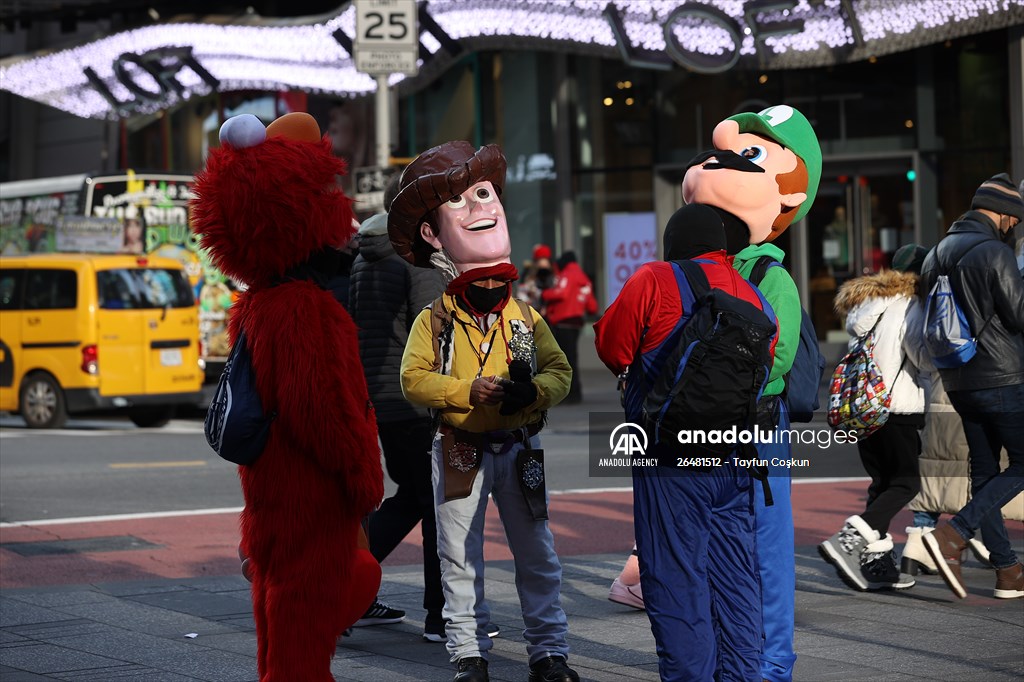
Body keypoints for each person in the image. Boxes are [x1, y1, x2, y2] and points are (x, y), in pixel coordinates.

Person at [389, 140, 579, 682]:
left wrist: (532, 394)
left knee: (538, 556)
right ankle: (468, 655)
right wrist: (465, 392)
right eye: (460, 201)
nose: (481, 207)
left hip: (521, 449)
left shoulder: (524, 316)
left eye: (484, 192)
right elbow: (412, 379)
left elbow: (559, 372)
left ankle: (549, 654)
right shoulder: (437, 318)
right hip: (460, 447)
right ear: (432, 235)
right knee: (459, 558)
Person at [594, 203, 776, 682]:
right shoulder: (754, 296)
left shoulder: (653, 279)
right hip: (735, 458)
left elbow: (613, 349)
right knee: (736, 578)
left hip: (669, 460)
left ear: (674, 242)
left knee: (675, 578)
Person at [679, 103, 821, 682]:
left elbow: (780, 356)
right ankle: (733, 654)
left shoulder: (771, 275)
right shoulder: (697, 266)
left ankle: (769, 662)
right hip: (710, 422)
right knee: (714, 547)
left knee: (764, 546)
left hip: (757, 424)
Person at [348, 178, 446, 635]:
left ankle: (347, 578)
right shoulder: (415, 257)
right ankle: (441, 615)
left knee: (414, 496)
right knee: (438, 503)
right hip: (415, 401)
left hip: (380, 398)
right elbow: (434, 336)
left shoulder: (366, 253)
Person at [920, 173, 1024, 600]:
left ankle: (1007, 571)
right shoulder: (993, 251)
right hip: (1003, 378)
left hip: (957, 380)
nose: (1015, 227)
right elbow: (1019, 317)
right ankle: (954, 535)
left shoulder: (934, 254)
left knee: (984, 471)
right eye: (1014, 220)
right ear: (1003, 214)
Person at [899, 244, 1018, 576]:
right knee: (982, 473)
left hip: (940, 395)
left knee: (953, 474)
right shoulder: (940, 301)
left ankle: (932, 542)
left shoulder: (918, 304)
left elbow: (920, 355)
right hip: (964, 390)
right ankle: (954, 538)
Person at [817, 245, 924, 591]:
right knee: (907, 483)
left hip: (863, 409)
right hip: (898, 409)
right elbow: (921, 356)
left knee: (881, 483)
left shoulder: (867, 306)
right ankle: (849, 539)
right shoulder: (909, 307)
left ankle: (877, 565)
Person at [541, 251, 597, 403]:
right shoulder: (583, 277)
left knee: (564, 361)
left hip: (563, 321)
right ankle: (576, 393)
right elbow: (592, 306)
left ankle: (568, 395)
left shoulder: (567, 274)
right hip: (576, 323)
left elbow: (562, 293)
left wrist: (545, 294)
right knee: (572, 358)